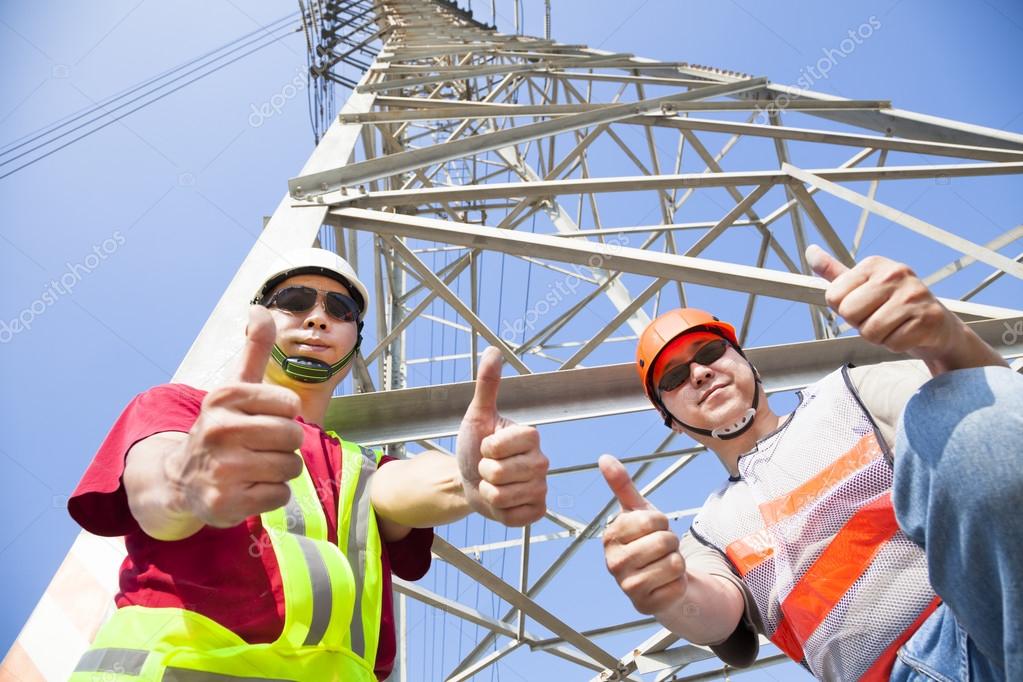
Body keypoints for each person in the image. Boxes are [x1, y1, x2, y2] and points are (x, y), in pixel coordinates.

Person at [67, 247, 549, 681]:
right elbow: (156, 488)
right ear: (258, 320)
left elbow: (410, 487)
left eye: (339, 311)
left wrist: (471, 478)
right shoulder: (181, 410)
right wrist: (183, 482)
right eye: (295, 301)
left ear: (355, 341)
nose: (317, 319)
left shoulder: (362, 466)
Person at [600, 244, 1022, 681]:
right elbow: (710, 613)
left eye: (708, 353)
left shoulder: (849, 394)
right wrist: (668, 593)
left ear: (747, 362)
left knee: (966, 413)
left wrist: (947, 341)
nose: (700, 374)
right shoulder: (708, 533)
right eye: (674, 378)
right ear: (671, 421)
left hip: (982, 613)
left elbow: (992, 424)